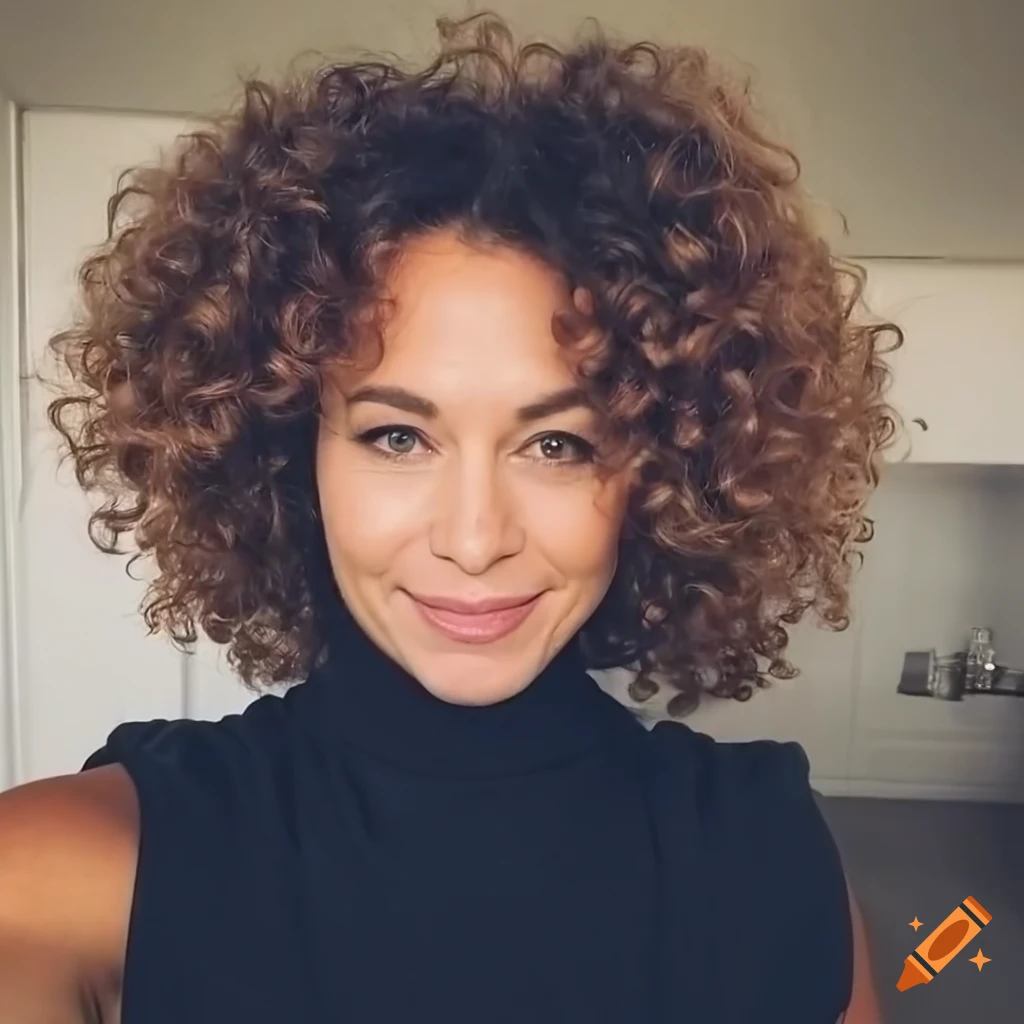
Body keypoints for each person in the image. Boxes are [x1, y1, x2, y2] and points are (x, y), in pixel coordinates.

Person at [0, 13, 893, 1023]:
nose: (474, 539)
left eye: (559, 445)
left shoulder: (768, 859)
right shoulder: (63, 879)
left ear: (666, 468)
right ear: (290, 451)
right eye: (396, 437)